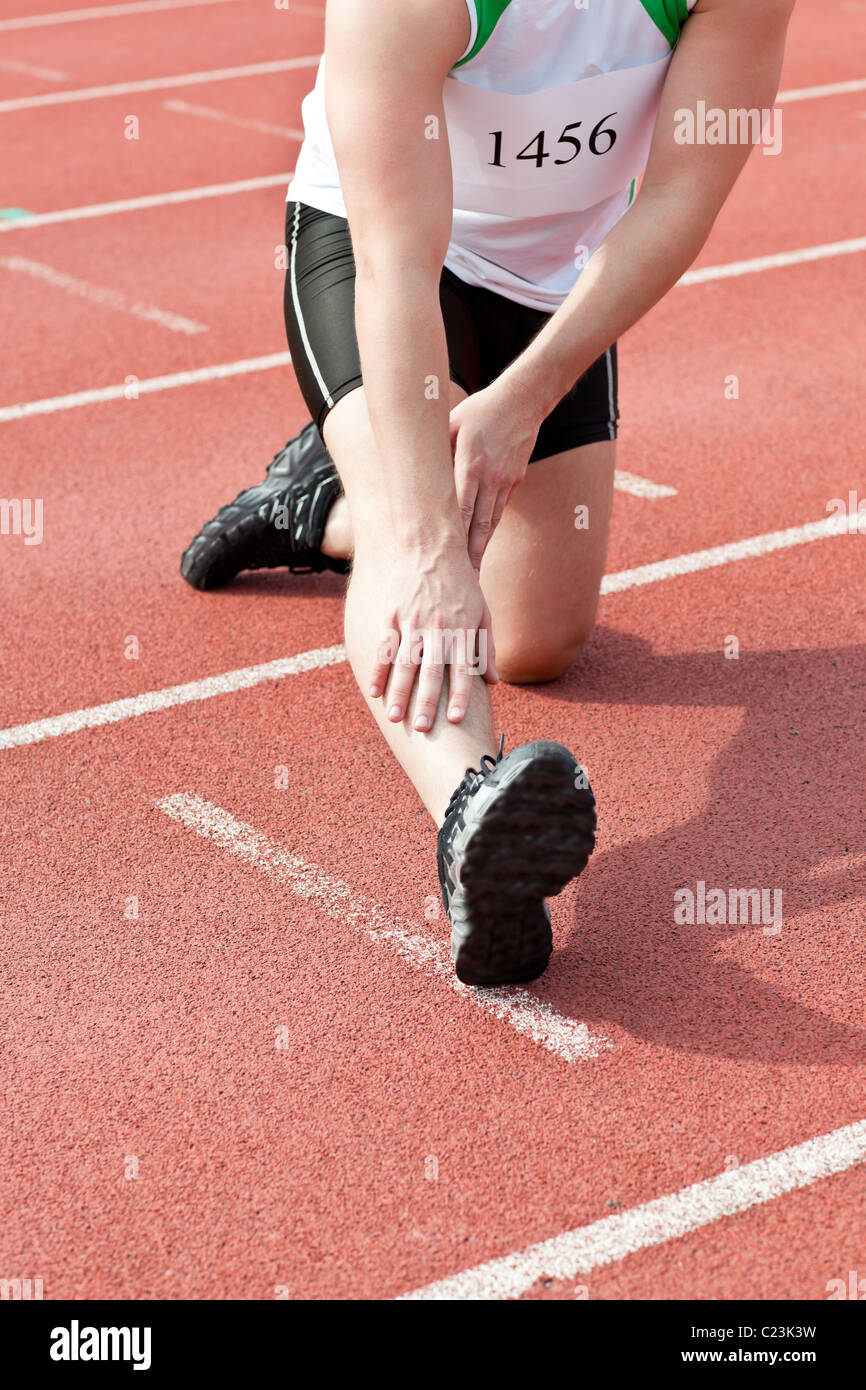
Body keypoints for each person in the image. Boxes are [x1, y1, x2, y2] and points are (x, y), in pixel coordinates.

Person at [181, 0, 795, 987]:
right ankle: (470, 813)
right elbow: (395, 264)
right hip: (380, 259)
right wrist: (426, 546)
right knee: (405, 524)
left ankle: (312, 499)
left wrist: (524, 399)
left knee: (534, 642)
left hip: (551, 286)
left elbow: (679, 199)